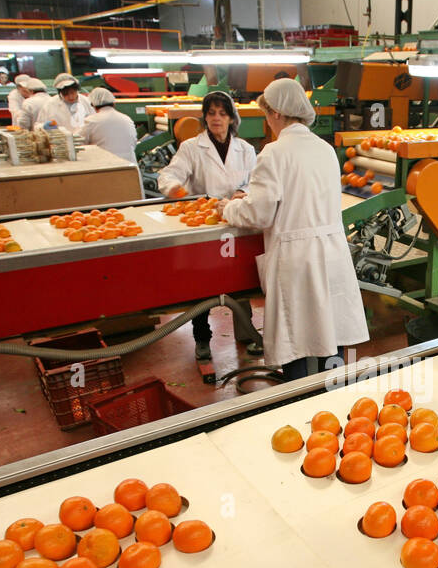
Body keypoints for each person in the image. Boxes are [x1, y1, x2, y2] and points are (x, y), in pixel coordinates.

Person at [217, 78, 367, 380]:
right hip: (331, 255)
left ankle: (298, 400)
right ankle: (332, 403)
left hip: (297, 261)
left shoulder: (274, 152)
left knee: (296, 343)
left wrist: (228, 208)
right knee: (329, 334)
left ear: (276, 113)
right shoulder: (324, 149)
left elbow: (259, 214)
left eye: (266, 114)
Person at [157, 90, 259, 360]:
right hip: (203, 226)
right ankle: (202, 339)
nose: (217, 118)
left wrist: (243, 192)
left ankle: (247, 332)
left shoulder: (246, 150)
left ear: (231, 119)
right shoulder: (191, 147)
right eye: (211, 113)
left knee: (239, 280)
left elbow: (257, 181)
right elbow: (169, 174)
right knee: (200, 285)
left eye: (222, 113)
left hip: (235, 223)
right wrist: (175, 188)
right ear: (204, 117)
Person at [80, 87, 143, 200]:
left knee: (109, 209)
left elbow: (79, 142)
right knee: (132, 205)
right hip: (130, 169)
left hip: (106, 171)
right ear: (114, 103)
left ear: (93, 105)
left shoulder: (92, 121)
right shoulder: (126, 119)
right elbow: (133, 142)